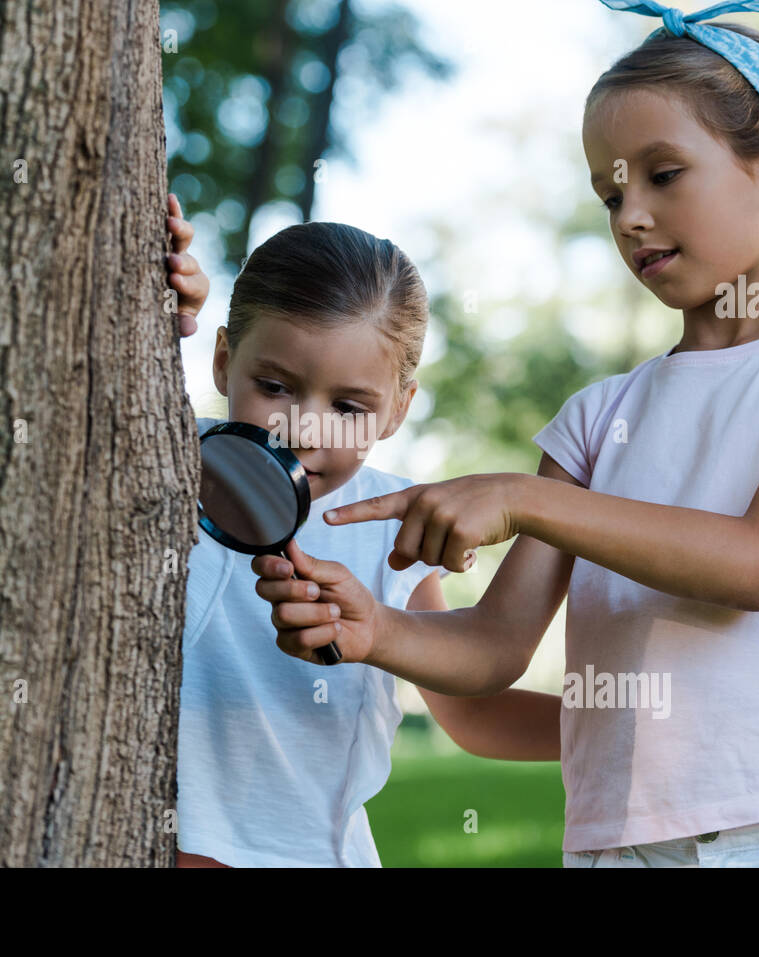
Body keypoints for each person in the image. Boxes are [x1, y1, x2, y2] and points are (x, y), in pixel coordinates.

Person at [252, 1, 759, 867]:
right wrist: (373, 632)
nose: (630, 217)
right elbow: (496, 647)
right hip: (615, 849)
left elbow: (755, 564)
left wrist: (525, 500)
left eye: (663, 175)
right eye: (611, 192)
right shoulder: (592, 417)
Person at [175, 221, 563, 867]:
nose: (303, 428)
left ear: (397, 410)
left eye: (349, 406)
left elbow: (472, 712)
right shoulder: (160, 461)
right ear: (222, 360)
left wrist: (625, 729)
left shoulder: (390, 531)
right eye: (274, 387)